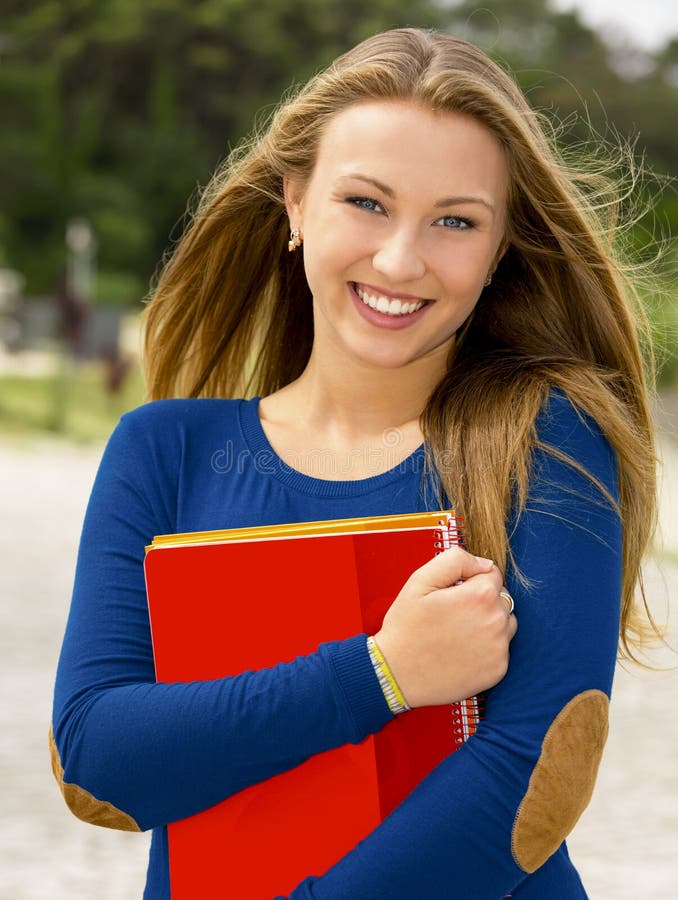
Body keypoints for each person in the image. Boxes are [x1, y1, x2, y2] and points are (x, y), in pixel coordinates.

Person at [50, 27, 659, 899]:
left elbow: (535, 779)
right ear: (297, 203)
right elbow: (101, 765)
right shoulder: (163, 451)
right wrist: (383, 674)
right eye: (367, 202)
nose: (401, 260)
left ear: (499, 250)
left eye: (456, 221)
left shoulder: (547, 441)